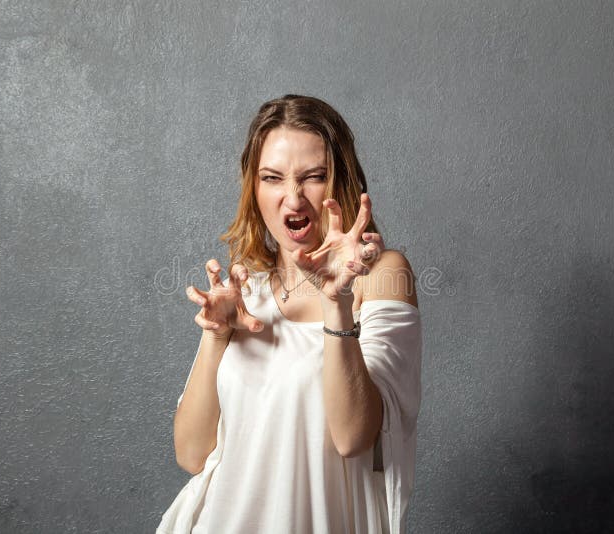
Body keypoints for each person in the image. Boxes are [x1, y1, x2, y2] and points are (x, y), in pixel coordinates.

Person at [157, 95, 421, 534]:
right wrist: (216, 335)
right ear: (253, 188)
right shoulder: (246, 291)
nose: (293, 198)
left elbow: (353, 436)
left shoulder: (381, 276)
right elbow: (191, 454)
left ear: (341, 182)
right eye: (272, 178)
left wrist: (336, 303)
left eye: (314, 177)